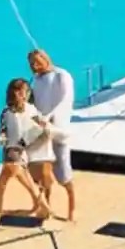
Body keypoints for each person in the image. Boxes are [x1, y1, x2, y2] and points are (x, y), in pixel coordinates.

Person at [0, 78, 52, 225]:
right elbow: (3, 130)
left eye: (23, 91)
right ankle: (44, 208)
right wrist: (1, 141)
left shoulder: (30, 109)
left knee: (3, 181)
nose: (21, 94)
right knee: (23, 182)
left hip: (19, 149)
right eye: (18, 91)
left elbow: (40, 127)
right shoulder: (6, 112)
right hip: (9, 149)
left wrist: (25, 142)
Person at [27, 48, 77, 222]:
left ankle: (72, 209)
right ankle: (46, 208)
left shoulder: (61, 75)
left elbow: (65, 99)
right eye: (31, 63)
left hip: (58, 129)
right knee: (43, 172)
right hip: (41, 131)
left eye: (36, 61)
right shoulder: (36, 81)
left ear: (44, 58)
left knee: (63, 171)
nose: (34, 66)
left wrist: (48, 117)